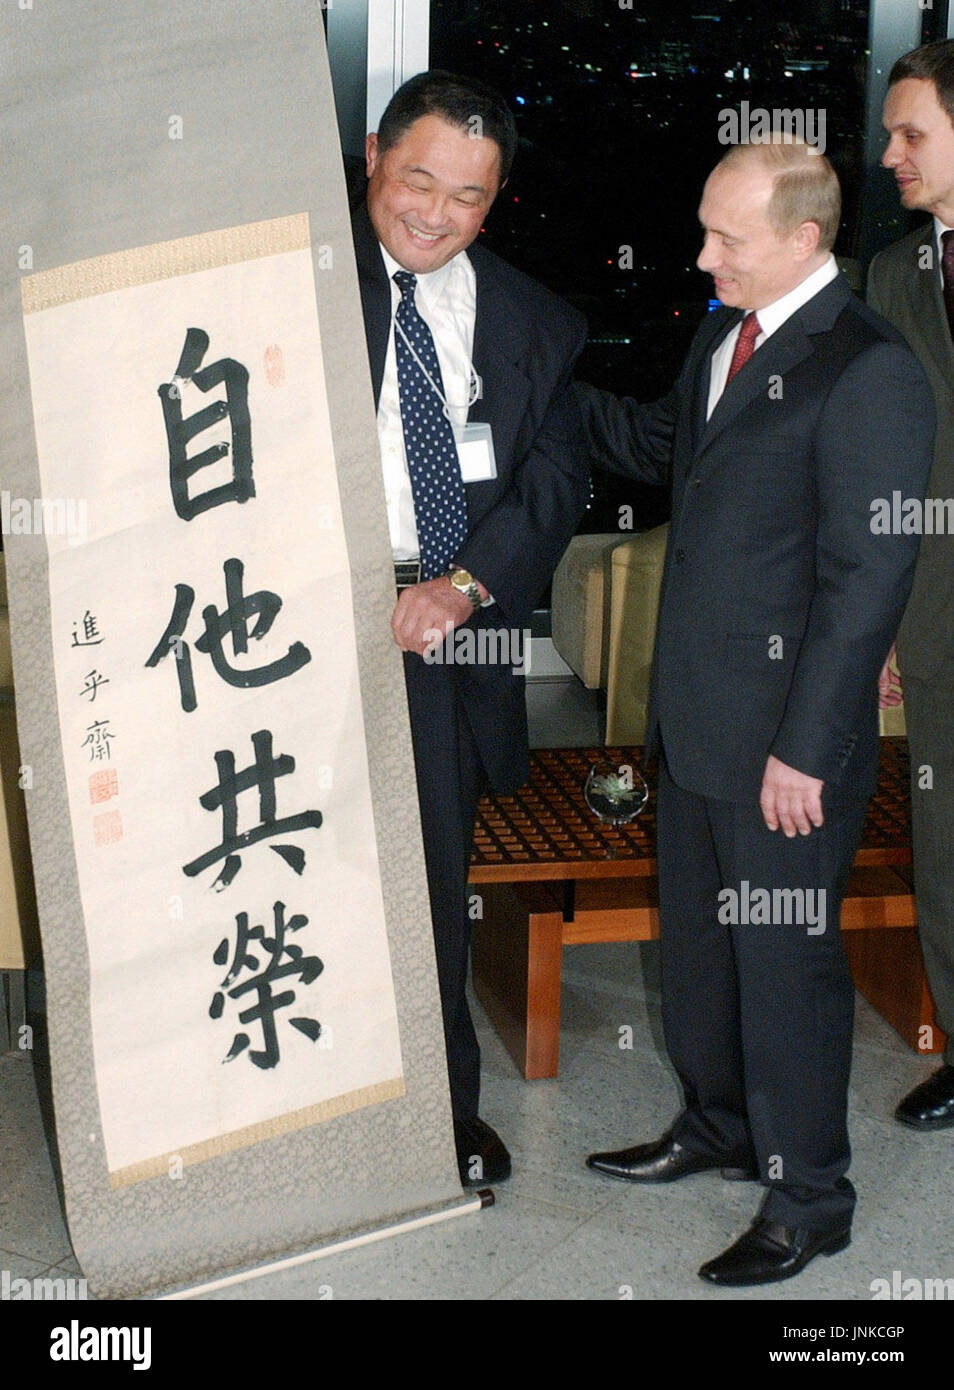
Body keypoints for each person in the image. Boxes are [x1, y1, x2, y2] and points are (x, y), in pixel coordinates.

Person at [577, 139, 935, 1285]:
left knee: (786, 968)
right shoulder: (727, 338)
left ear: (803, 240)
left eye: (726, 238)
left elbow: (867, 580)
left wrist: (805, 747)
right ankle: (720, 1124)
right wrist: (532, 389)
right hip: (693, 722)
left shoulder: (867, 367)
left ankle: (809, 1194)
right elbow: (667, 449)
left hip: (786, 743)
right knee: (702, 952)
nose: (702, 256)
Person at [349, 71, 589, 1186]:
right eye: (417, 179)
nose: (435, 213)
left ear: (494, 204)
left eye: (469, 196)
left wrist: (465, 585)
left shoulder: (537, 319)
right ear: (371, 159)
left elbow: (552, 479)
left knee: (436, 881)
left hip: (444, 629)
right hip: (287, 619)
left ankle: (443, 1115)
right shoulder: (285, 286)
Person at [869, 39, 954, 1131]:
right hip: (940, 616)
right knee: (947, 847)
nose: (891, 153)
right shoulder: (893, 275)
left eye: (912, 132)